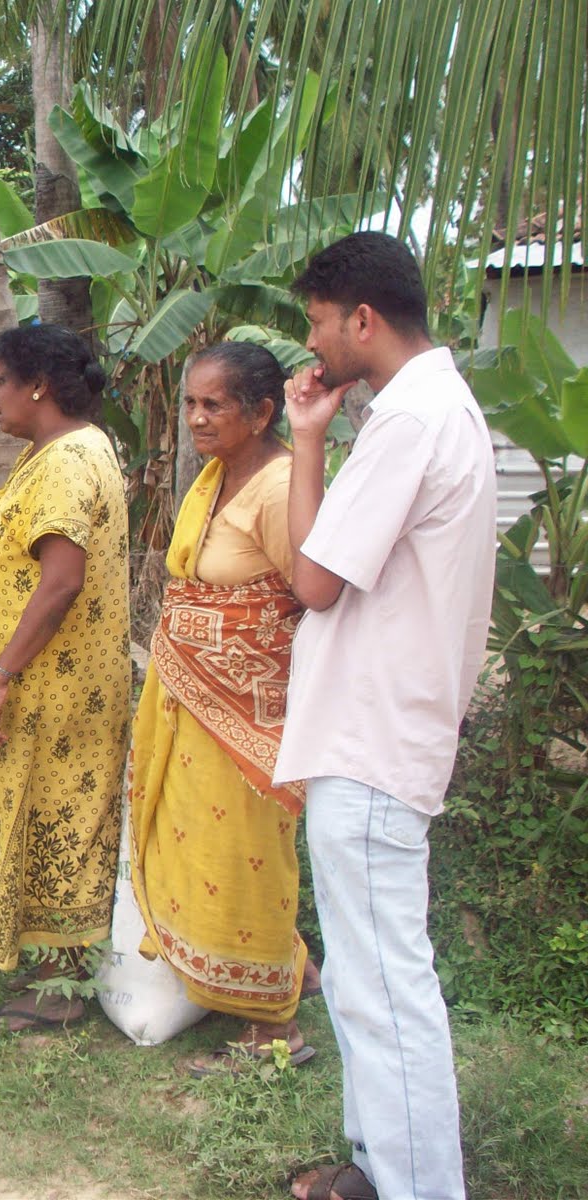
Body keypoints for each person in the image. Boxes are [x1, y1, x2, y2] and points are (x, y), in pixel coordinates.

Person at [275, 232, 495, 1200]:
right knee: (371, 985)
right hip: (378, 734)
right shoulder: (434, 406)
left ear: (361, 319)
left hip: (370, 740)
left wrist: (306, 442)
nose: (315, 345)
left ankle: (416, 1189)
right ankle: (378, 1169)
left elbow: (313, 578)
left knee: (384, 993)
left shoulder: (409, 419)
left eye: (318, 324)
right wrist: (319, 437)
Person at [126, 342, 316, 1072]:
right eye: (191, 403)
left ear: (262, 412)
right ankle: (283, 967)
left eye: (215, 405)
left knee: (247, 857)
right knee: (199, 845)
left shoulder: (278, 486)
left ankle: (275, 1032)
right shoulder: (215, 477)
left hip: (248, 714)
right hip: (192, 700)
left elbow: (302, 598)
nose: (197, 418)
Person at [0, 325, 130, 1030]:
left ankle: (58, 987)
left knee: (53, 815)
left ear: (37, 386)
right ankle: (52, 974)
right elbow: (6, 543)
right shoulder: (55, 453)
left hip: (52, 688)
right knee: (44, 813)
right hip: (49, 685)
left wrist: (2, 675)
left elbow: (61, 581)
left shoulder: (67, 461)